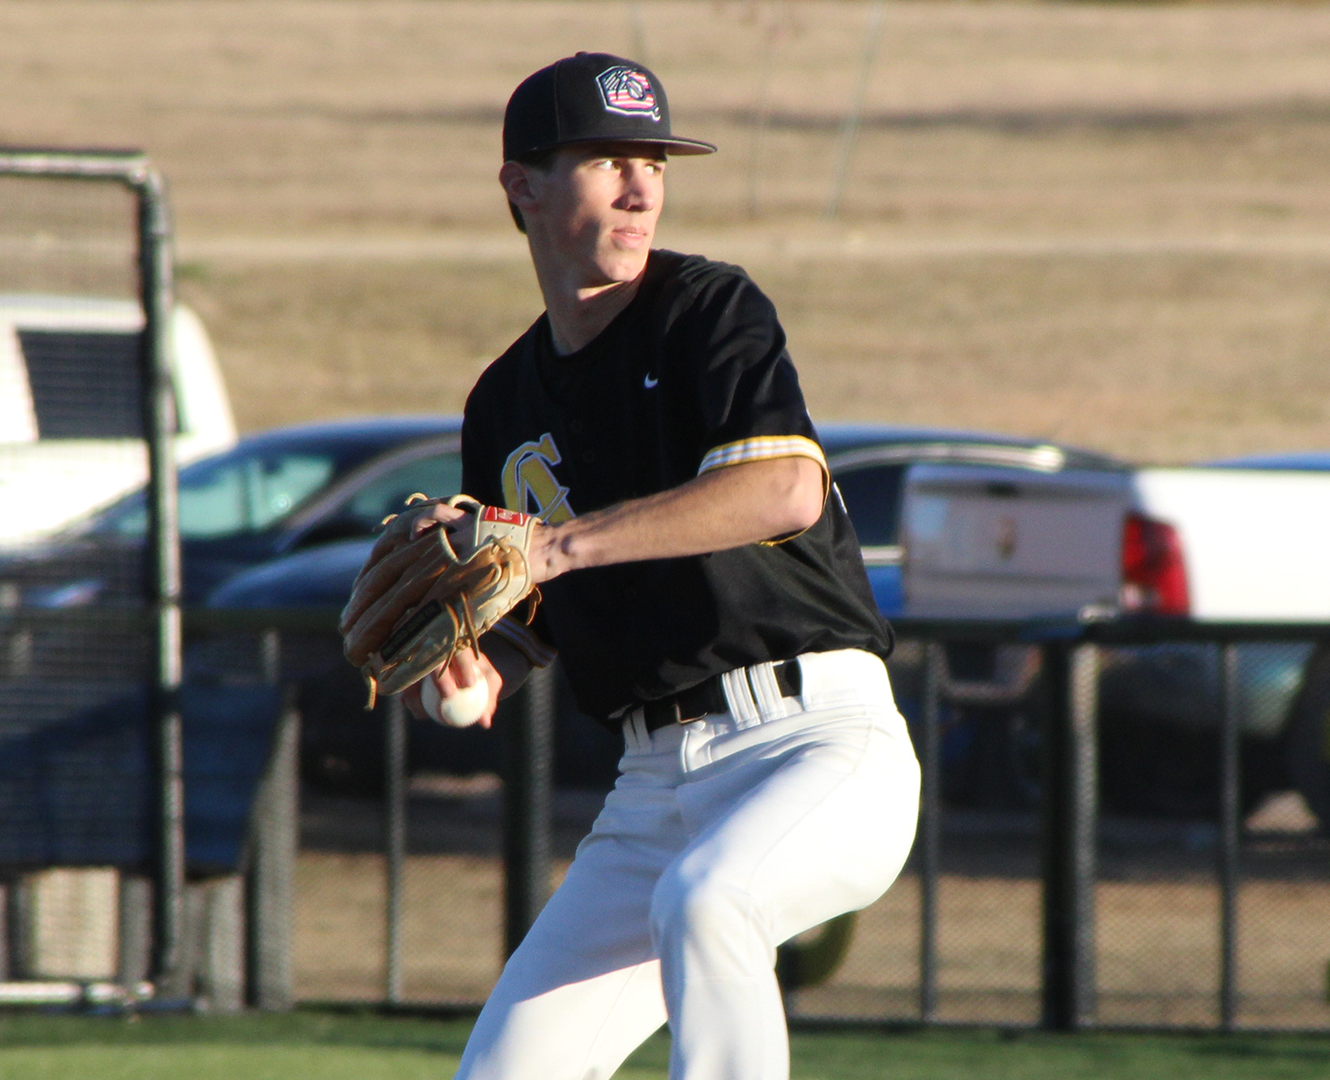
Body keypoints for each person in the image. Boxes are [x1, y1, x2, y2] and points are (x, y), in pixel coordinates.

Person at [372, 52, 920, 1080]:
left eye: (655, 162)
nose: (641, 188)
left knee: (712, 900)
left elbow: (783, 492)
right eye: (608, 159)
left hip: (815, 743)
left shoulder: (708, 312)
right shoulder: (504, 404)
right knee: (505, 1071)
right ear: (521, 185)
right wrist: (459, 672)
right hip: (651, 787)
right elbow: (519, 630)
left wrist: (559, 542)